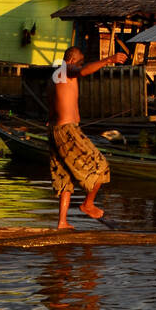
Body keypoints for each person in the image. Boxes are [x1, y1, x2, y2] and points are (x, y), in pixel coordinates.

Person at [47, 46, 127, 228]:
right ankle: (87, 204)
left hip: (54, 130)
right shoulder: (67, 69)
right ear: (73, 60)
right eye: (80, 62)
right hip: (68, 130)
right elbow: (82, 71)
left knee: (64, 176)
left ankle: (62, 222)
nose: (82, 65)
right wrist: (109, 60)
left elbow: (52, 106)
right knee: (101, 167)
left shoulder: (53, 77)